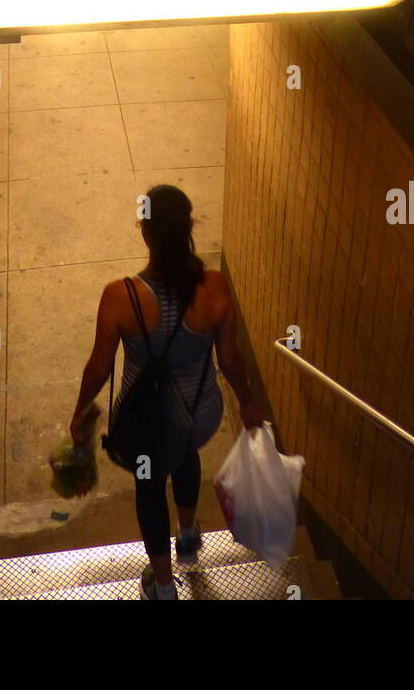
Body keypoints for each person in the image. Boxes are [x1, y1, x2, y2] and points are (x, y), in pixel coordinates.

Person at [69, 184, 265, 601]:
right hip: (200, 415)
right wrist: (247, 401)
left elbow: (100, 368)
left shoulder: (120, 297)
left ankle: (162, 587)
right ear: (190, 227)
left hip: (147, 425)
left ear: (145, 233)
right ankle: (190, 534)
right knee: (184, 453)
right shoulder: (215, 288)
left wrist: (80, 415)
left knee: (149, 483)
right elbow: (230, 360)